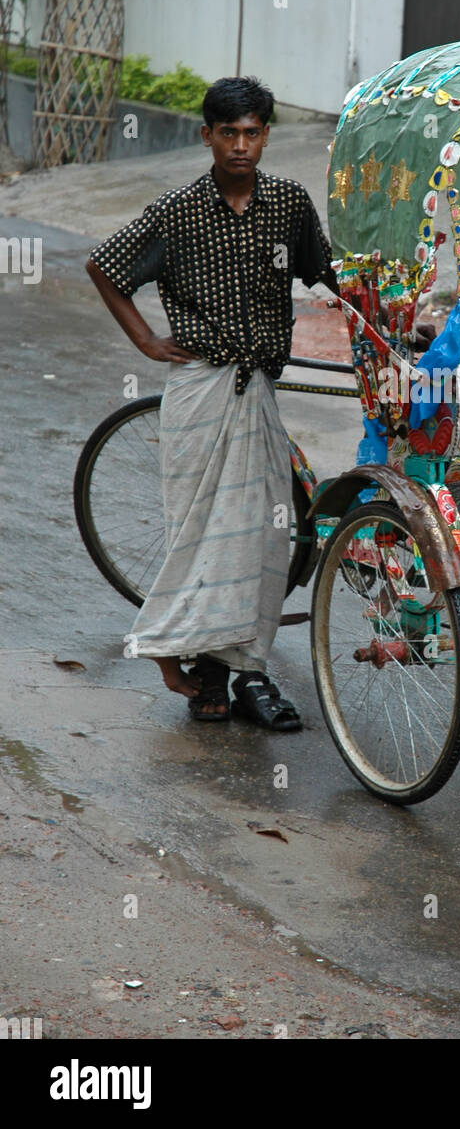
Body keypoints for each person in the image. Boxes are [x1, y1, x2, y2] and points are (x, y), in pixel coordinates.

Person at [85, 76, 338, 727]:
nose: (240, 146)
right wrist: (144, 339)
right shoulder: (177, 211)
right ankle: (190, 665)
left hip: (258, 390)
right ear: (207, 136)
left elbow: (327, 272)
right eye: (228, 133)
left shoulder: (286, 203)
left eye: (253, 133)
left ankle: (244, 673)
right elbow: (105, 268)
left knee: (263, 536)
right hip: (199, 388)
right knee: (200, 538)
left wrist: (390, 316)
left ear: (266, 136)